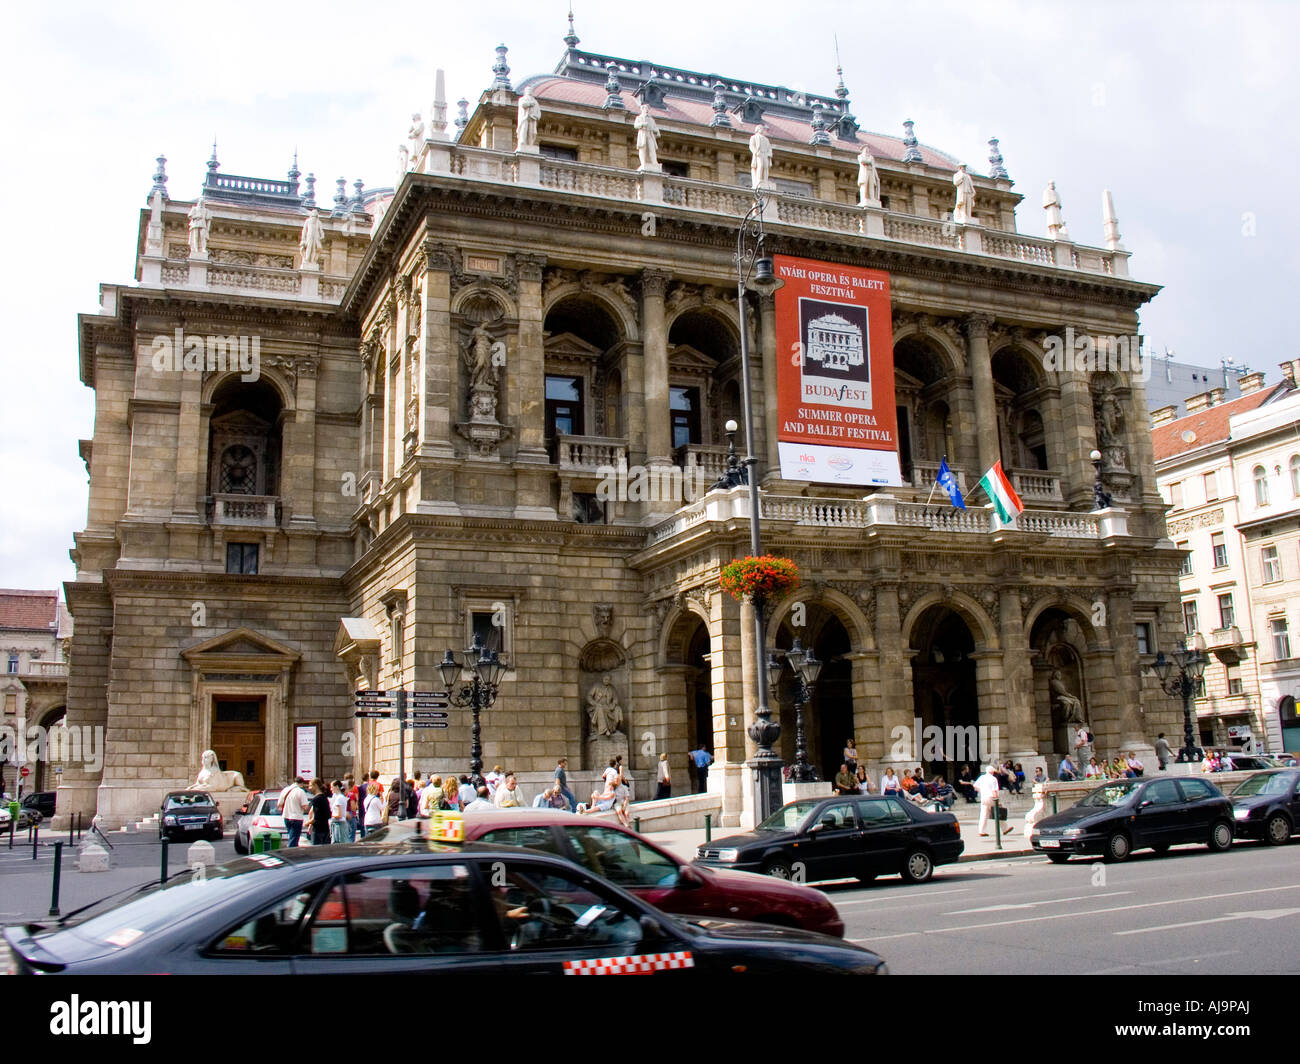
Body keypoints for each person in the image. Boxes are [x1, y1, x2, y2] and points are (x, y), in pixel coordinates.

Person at [973, 764, 1012, 837]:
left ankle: (981, 831)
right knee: (998, 812)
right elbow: (994, 791)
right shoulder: (993, 779)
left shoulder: (982, 777)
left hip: (984, 797)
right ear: (992, 772)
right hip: (991, 797)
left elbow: (975, 786)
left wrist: (981, 791)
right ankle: (1005, 829)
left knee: (984, 814)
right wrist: (998, 801)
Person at [279, 778, 309, 848]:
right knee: (294, 839)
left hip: (286, 817)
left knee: (291, 836)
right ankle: (291, 854)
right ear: (302, 783)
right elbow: (305, 806)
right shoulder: (300, 791)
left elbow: (279, 805)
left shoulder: (285, 790)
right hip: (296, 818)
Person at [304, 779, 332, 847]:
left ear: (315, 786)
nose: (309, 788)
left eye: (310, 785)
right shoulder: (324, 798)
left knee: (316, 851)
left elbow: (316, 817)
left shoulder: (316, 799)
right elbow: (328, 814)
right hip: (325, 829)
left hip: (317, 831)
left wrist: (307, 823)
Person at [327, 780, 348, 844]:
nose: (331, 789)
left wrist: (330, 815)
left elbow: (339, 814)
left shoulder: (340, 798)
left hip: (339, 824)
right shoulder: (337, 797)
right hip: (337, 823)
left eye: (332, 787)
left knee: (339, 843)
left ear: (336, 787)